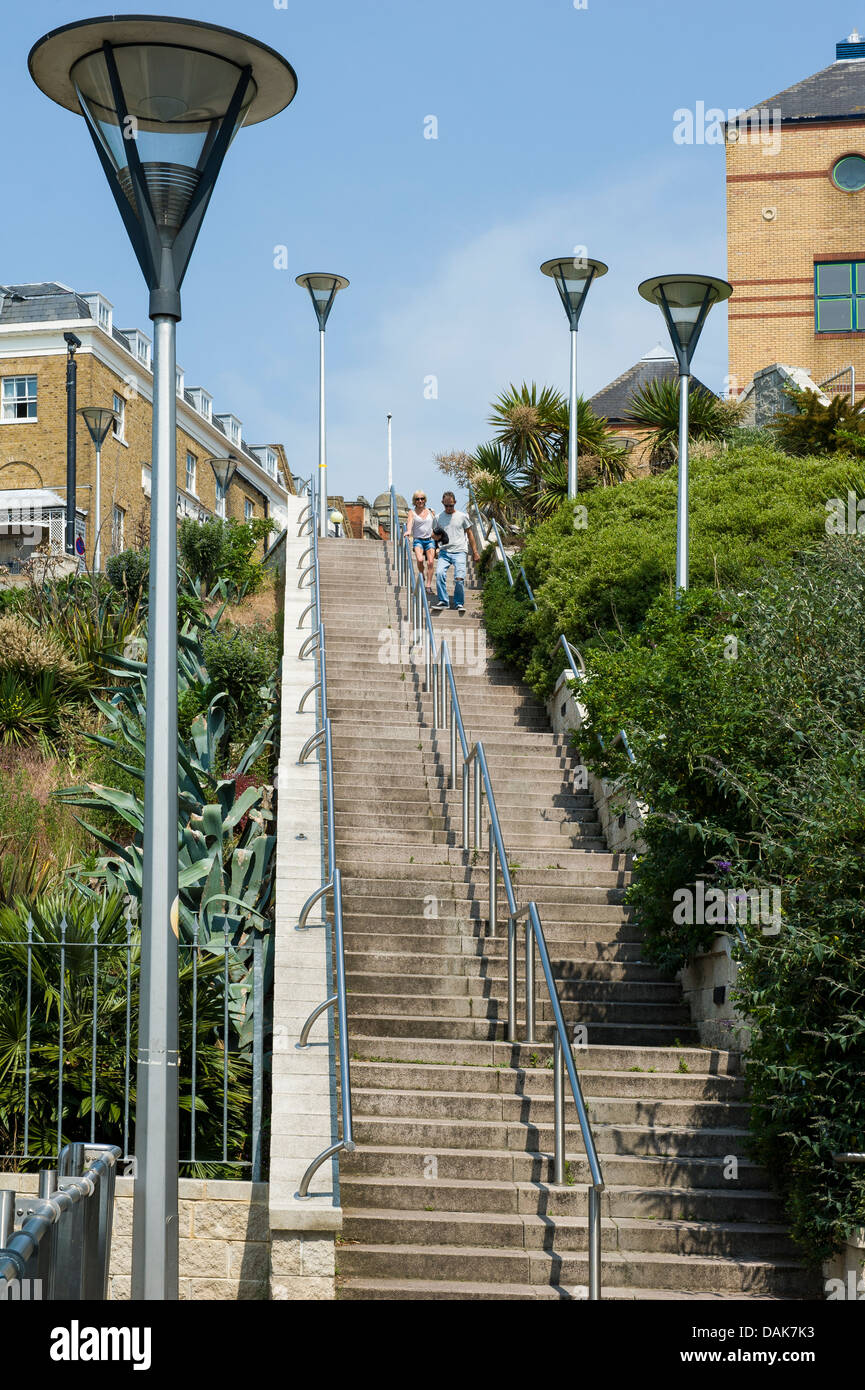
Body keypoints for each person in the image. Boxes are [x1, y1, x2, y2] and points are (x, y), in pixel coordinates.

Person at [432, 491, 480, 614]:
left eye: (451, 506)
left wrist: (475, 552)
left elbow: (470, 534)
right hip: (444, 552)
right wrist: (436, 545)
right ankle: (443, 601)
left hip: (459, 552)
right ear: (442, 503)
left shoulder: (462, 516)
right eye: (446, 505)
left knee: (459, 578)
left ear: (455, 503)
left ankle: (459, 603)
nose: (448, 508)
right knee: (439, 574)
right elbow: (434, 535)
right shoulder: (437, 518)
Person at [406, 490, 436, 592]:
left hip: (430, 540)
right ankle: (422, 573)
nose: (420, 501)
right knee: (419, 560)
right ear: (414, 501)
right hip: (418, 540)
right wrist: (408, 531)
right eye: (417, 499)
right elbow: (409, 523)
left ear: (425, 500)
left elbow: (435, 525)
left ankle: (428, 586)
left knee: (431, 562)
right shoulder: (412, 512)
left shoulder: (431, 511)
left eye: (422, 498)